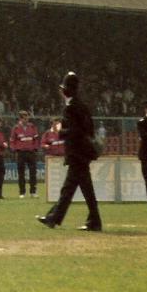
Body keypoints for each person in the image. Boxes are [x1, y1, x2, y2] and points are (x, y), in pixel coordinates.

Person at [37, 72, 102, 231]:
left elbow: (74, 131)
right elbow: (89, 129)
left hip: (76, 153)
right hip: (83, 153)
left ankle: (56, 218)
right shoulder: (82, 106)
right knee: (79, 189)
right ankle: (58, 217)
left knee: (73, 189)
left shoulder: (71, 108)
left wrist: (60, 131)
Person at [10, 110, 40, 198]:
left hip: (31, 152)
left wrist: (35, 148)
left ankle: (33, 192)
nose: (26, 119)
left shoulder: (32, 127)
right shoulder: (16, 128)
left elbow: (36, 139)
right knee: (21, 173)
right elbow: (12, 141)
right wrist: (15, 149)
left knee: (33, 173)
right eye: (24, 118)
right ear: (20, 119)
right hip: (21, 153)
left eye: (27, 117)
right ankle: (22, 192)